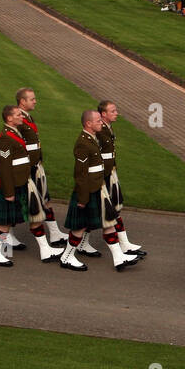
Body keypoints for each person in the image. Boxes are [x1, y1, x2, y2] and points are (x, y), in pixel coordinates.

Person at [0, 105, 60, 265]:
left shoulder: (16, 132)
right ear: (9, 118)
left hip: (24, 182)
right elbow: (4, 168)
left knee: (35, 216)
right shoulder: (5, 139)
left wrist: (22, 123)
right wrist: (8, 191)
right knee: (5, 222)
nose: (22, 117)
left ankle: (45, 250)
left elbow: (31, 136)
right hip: (13, 185)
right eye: (18, 115)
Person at [59, 109, 117, 271]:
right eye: (98, 121)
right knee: (79, 227)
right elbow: (81, 174)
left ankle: (119, 257)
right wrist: (83, 198)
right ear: (88, 124)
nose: (101, 123)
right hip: (87, 190)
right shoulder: (83, 143)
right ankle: (67, 256)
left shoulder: (92, 139)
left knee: (89, 225)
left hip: (96, 187)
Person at [15, 88, 66, 249]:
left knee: (45, 200)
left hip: (34, 168)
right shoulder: (19, 120)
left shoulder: (27, 117)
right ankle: (2, 243)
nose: (35, 101)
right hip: (26, 170)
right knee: (10, 212)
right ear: (22, 101)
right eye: (32, 99)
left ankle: (55, 233)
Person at [97, 100, 145, 259]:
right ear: (104, 114)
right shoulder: (100, 130)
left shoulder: (107, 128)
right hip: (104, 175)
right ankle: (120, 247)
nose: (116, 113)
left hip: (110, 172)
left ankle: (124, 243)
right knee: (106, 211)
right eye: (113, 111)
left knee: (114, 208)